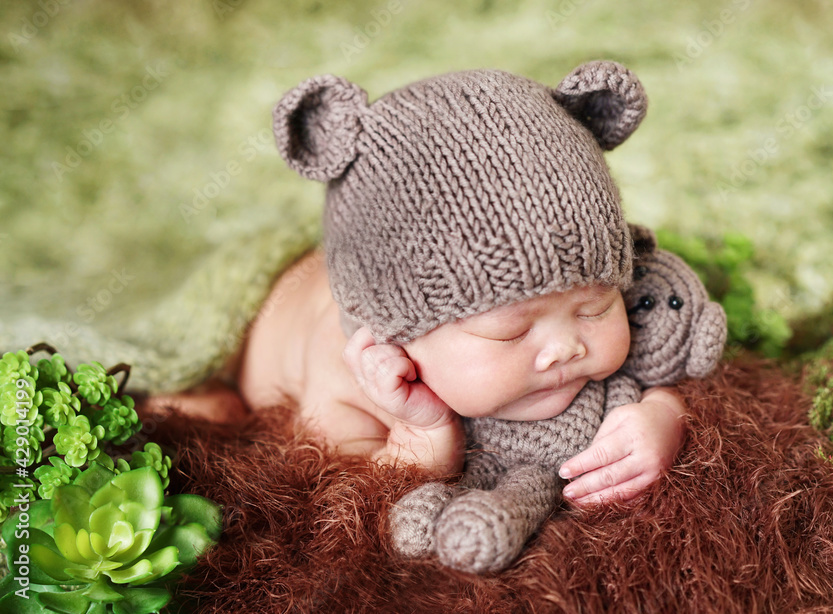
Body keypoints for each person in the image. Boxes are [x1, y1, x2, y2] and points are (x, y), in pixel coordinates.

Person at [146, 60, 689, 506]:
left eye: (595, 307)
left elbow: (665, 367)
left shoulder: (563, 345)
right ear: (397, 331)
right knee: (201, 408)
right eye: (509, 331)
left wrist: (661, 418)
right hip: (259, 310)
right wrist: (422, 438)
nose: (566, 347)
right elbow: (347, 498)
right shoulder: (350, 377)